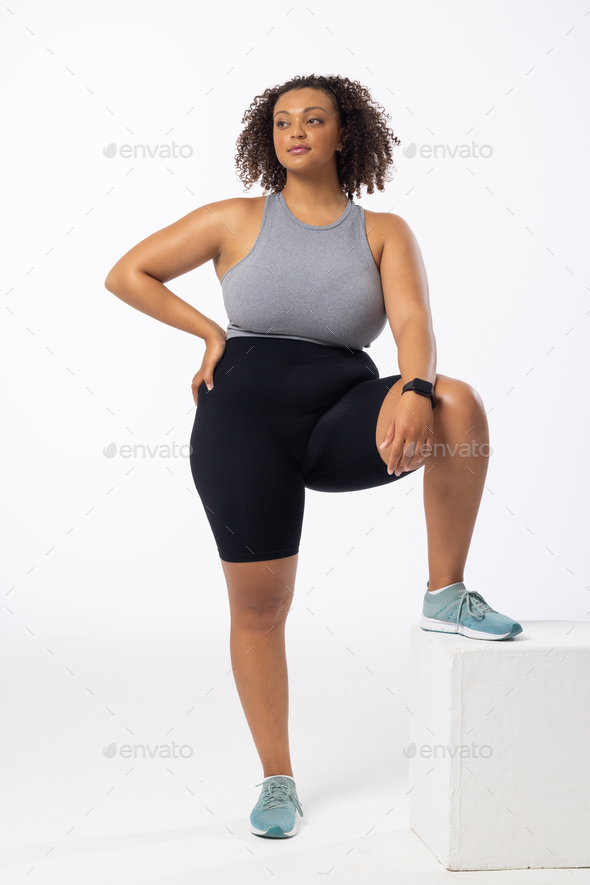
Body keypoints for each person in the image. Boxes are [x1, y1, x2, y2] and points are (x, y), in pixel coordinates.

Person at [104, 73, 522, 840]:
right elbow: (127, 273)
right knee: (261, 607)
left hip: (341, 410)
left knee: (459, 402)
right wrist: (210, 334)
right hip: (242, 421)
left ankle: (446, 592)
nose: (295, 131)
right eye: (282, 121)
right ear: (270, 140)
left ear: (342, 135)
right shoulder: (234, 218)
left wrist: (416, 386)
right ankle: (277, 780)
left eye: (313, 119)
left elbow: (414, 323)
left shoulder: (383, 229)